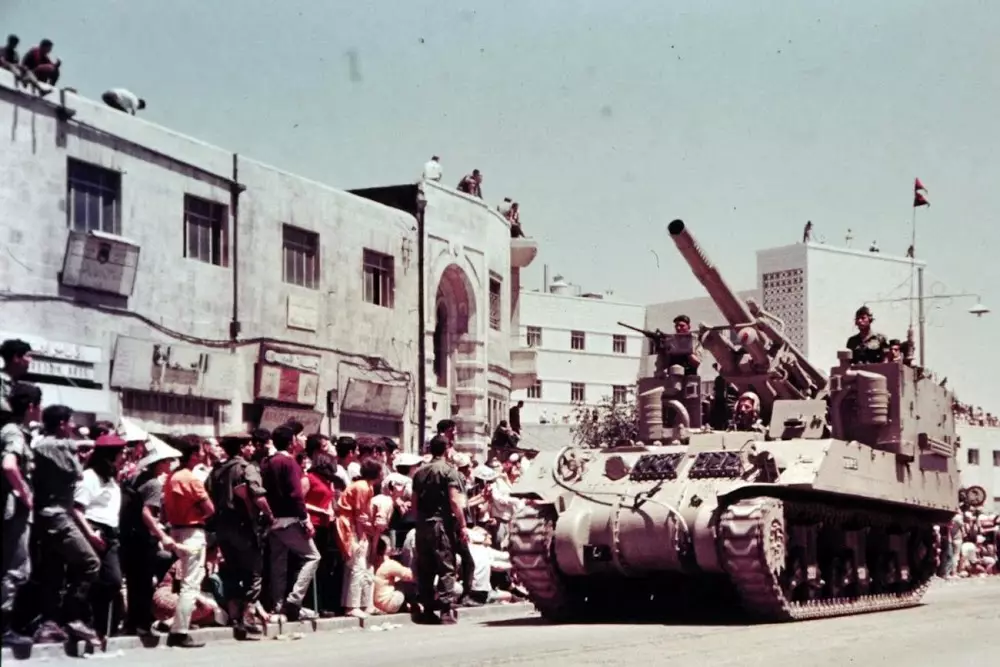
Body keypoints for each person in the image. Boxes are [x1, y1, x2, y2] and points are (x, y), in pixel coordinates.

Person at [1, 382, 41, 649]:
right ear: (31, 407)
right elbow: (9, 465)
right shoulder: (14, 433)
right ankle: (4, 629)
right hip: (13, 513)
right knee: (15, 570)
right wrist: (26, 495)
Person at [411, 435, 467, 624]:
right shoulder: (449, 471)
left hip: (422, 524)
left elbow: (414, 503)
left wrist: (419, 521)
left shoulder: (419, 472)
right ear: (447, 449)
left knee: (425, 567)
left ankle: (427, 609)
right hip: (441, 524)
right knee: (446, 567)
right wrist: (463, 525)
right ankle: (445, 611)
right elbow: (454, 501)